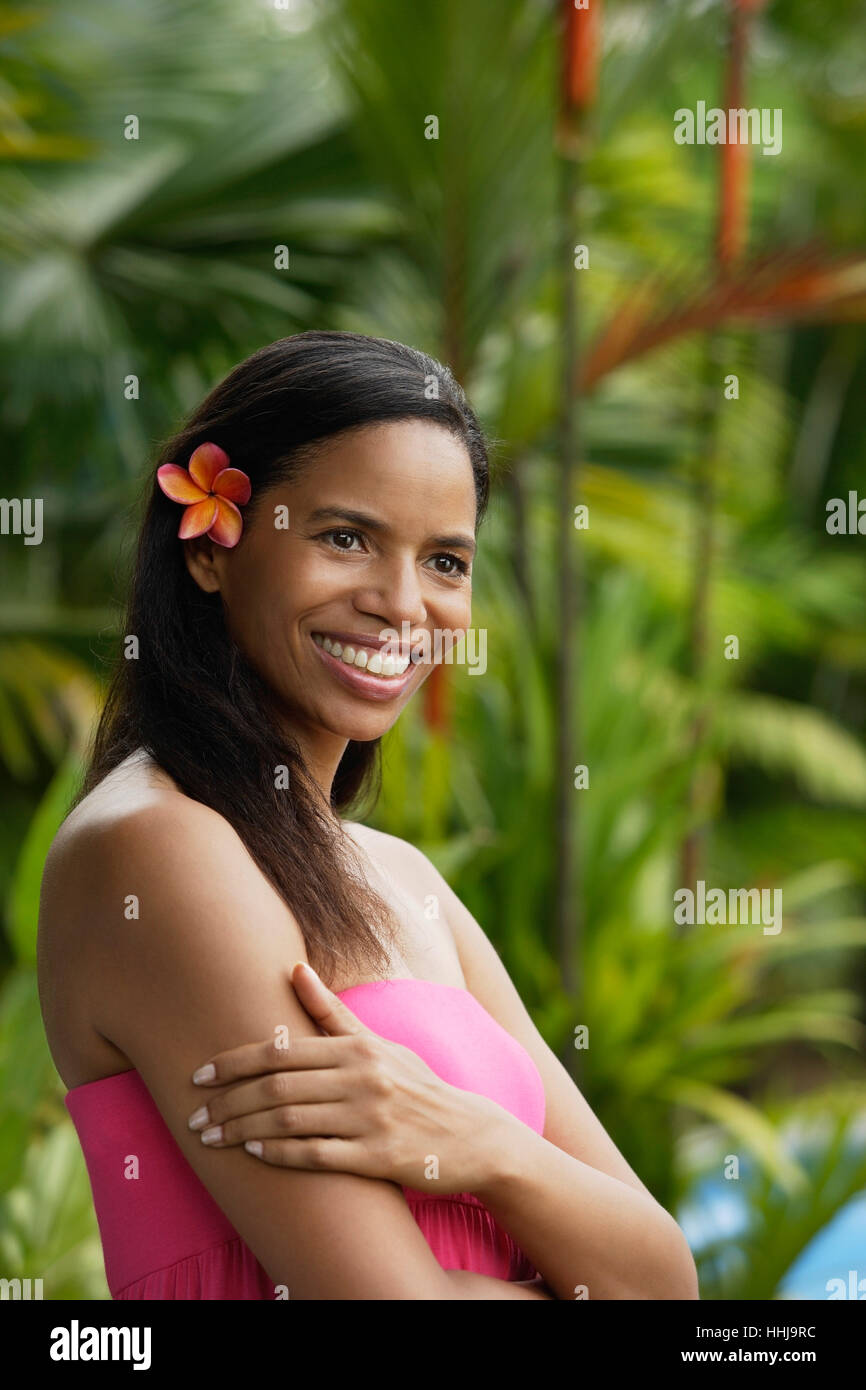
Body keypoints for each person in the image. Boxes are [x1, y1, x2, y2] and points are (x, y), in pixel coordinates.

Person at [37, 331, 699, 1300]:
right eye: (344, 537)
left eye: (443, 560)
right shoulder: (157, 846)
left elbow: (665, 1280)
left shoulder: (401, 880)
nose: (400, 603)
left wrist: (479, 1145)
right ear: (213, 548)